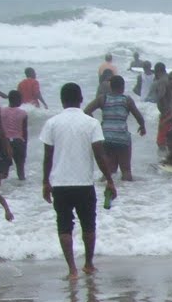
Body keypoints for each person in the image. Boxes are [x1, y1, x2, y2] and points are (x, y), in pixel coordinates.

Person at [41, 82, 117, 278]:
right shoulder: (91, 123)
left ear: (62, 100)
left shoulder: (52, 123)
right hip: (84, 183)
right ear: (81, 99)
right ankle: (89, 264)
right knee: (88, 225)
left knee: (64, 226)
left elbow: (48, 156)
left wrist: (45, 182)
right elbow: (100, 155)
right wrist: (109, 179)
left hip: (60, 184)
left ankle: (72, 269)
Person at [84, 74, 147, 182]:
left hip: (106, 137)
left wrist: (97, 125)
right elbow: (139, 116)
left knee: (108, 171)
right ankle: (129, 195)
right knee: (126, 171)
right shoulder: (127, 100)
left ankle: (105, 190)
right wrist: (142, 127)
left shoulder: (103, 98)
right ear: (123, 87)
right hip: (122, 138)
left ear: (110, 87)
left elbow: (86, 111)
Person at [0, 88, 30, 180]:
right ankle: (22, 188)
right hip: (18, 142)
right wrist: (25, 144)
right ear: (18, 100)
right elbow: (24, 131)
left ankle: (5, 191)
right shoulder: (23, 113)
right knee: (20, 169)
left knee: (4, 171)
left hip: (5, 142)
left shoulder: (1, 111)